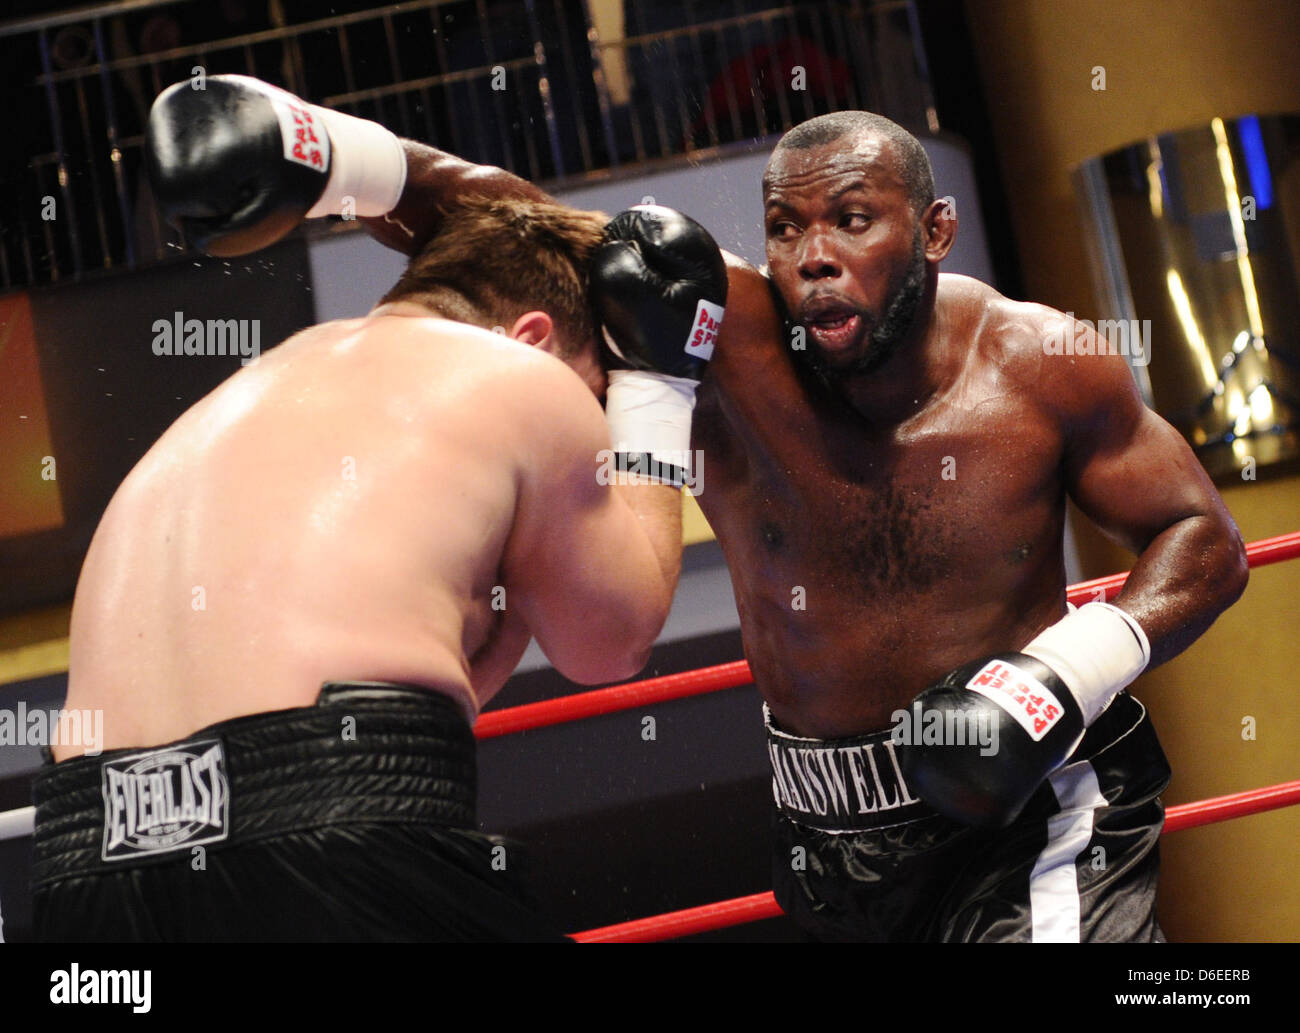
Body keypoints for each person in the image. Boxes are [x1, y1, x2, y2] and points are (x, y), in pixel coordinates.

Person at [182, 82, 1248, 941]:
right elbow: (506, 224)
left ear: (933, 232)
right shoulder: (725, 331)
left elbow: (1201, 540)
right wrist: (324, 150)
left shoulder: (1039, 365)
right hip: (824, 837)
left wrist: (1058, 679)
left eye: (851, 221)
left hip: (1032, 809)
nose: (812, 256)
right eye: (786, 228)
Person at [29, 76, 728, 943]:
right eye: (597, 396)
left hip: (87, 859)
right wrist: (654, 389)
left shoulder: (230, 401)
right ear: (535, 337)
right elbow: (610, 640)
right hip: (328, 835)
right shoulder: (517, 377)